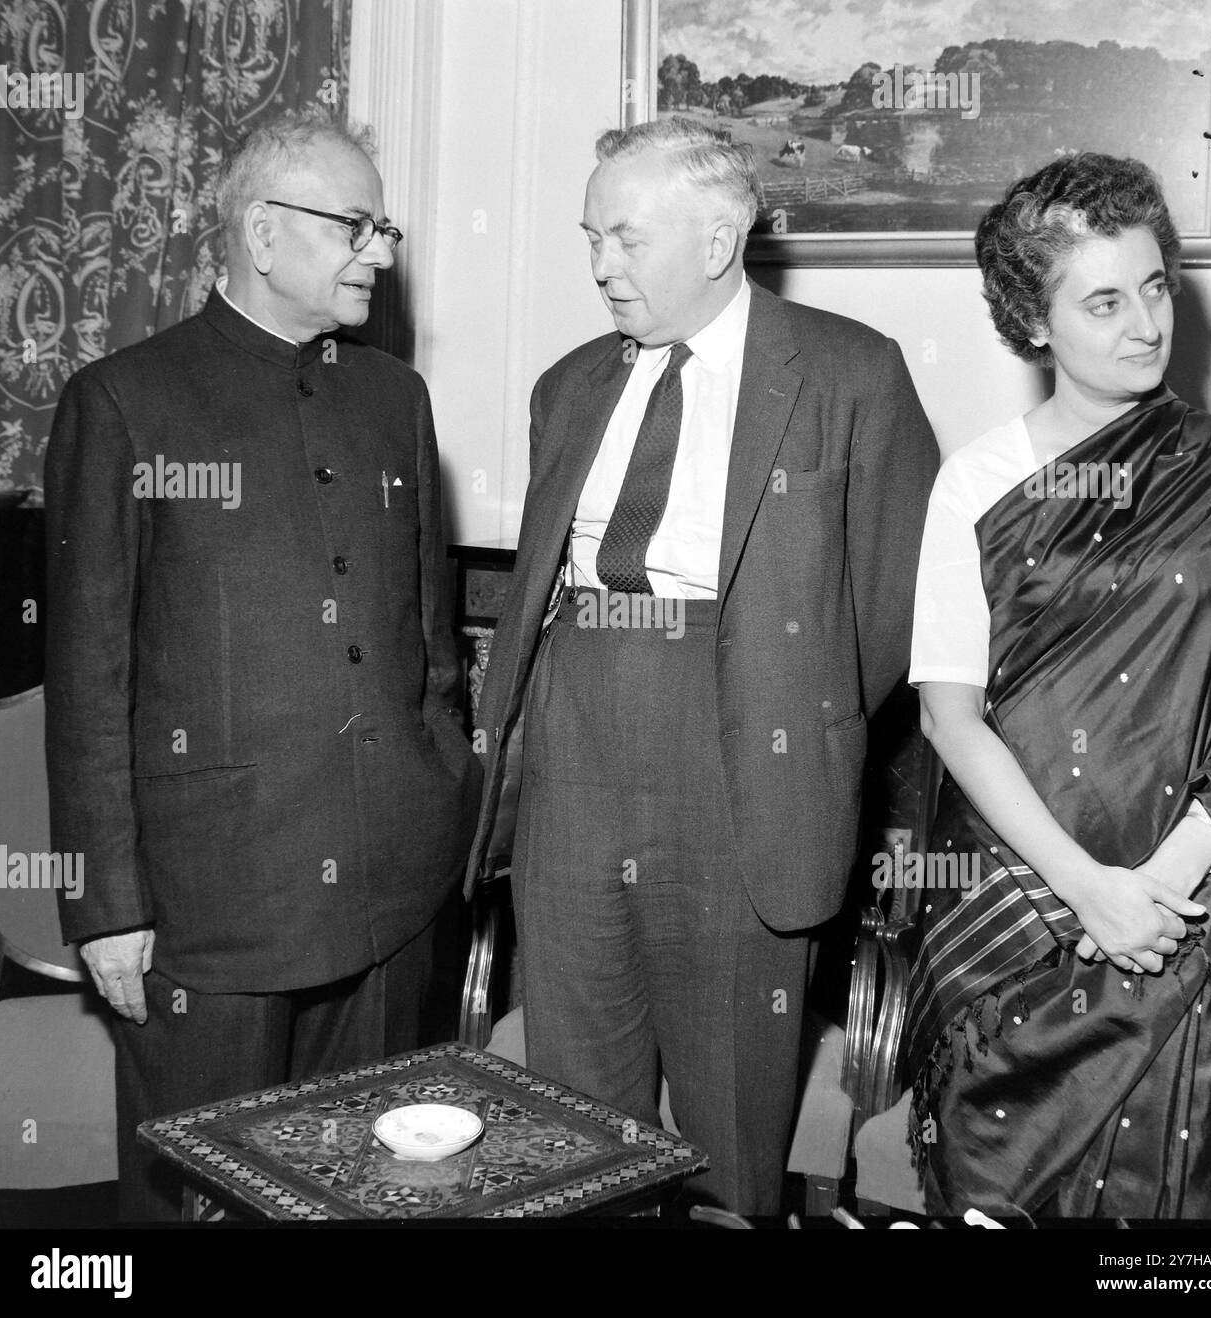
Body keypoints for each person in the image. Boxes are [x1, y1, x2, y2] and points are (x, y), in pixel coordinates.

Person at [466, 116, 939, 1216]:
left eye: (625, 239)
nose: (599, 266)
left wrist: (787, 717)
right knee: (571, 1103)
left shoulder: (848, 372)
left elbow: (891, 604)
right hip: (573, 738)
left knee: (733, 1104)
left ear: (720, 237)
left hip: (746, 758)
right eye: (590, 237)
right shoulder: (566, 385)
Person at [45, 110, 481, 1220]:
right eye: (356, 225)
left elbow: (430, 647)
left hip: (391, 894)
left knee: (369, 1194)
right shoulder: (124, 404)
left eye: (382, 228)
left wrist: (443, 801)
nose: (380, 252)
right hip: (210, 910)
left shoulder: (395, 401)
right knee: (198, 1198)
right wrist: (107, 905)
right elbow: (89, 673)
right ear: (261, 231)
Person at [903, 152, 1211, 1219]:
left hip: (1182, 908)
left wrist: (1159, 880)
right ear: (1032, 320)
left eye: (1155, 286)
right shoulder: (976, 482)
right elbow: (947, 713)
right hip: (1017, 907)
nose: (1145, 322)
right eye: (1104, 299)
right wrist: (1086, 886)